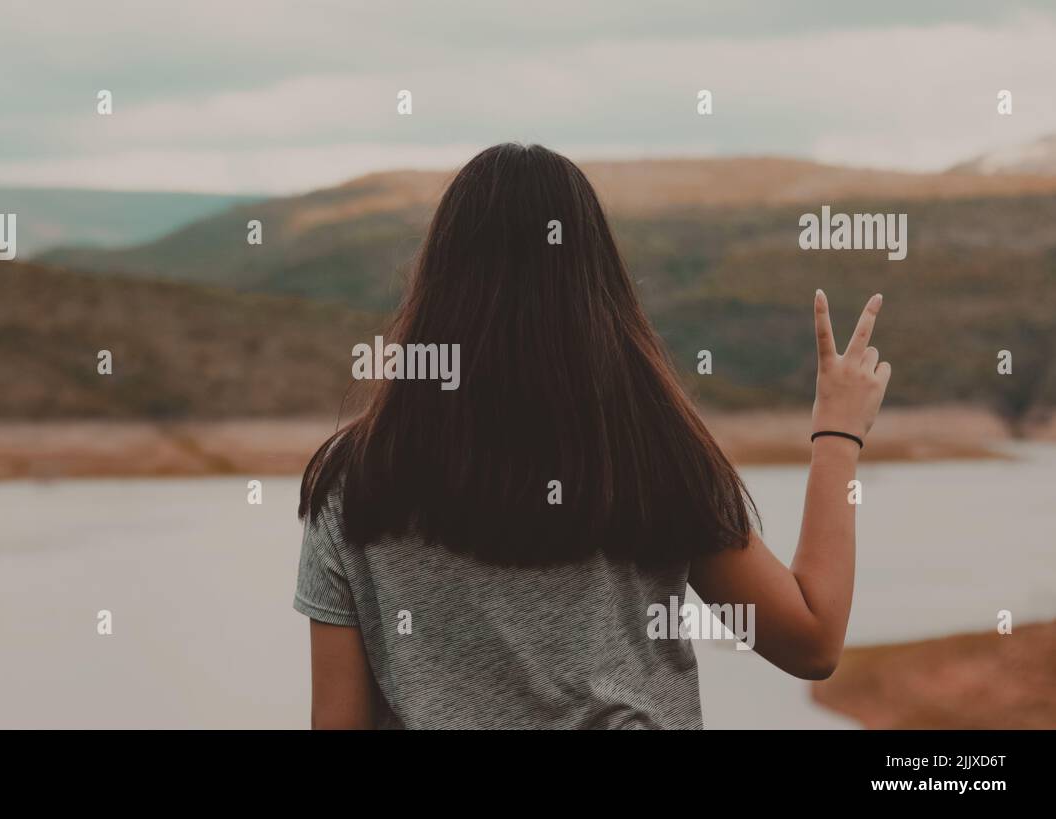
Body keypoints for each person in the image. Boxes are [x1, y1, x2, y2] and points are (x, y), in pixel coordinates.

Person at [294, 143, 891, 729]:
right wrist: (837, 434)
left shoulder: (356, 481)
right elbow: (811, 642)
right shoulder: (647, 452)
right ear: (596, 281)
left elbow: (337, 722)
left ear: (439, 277)